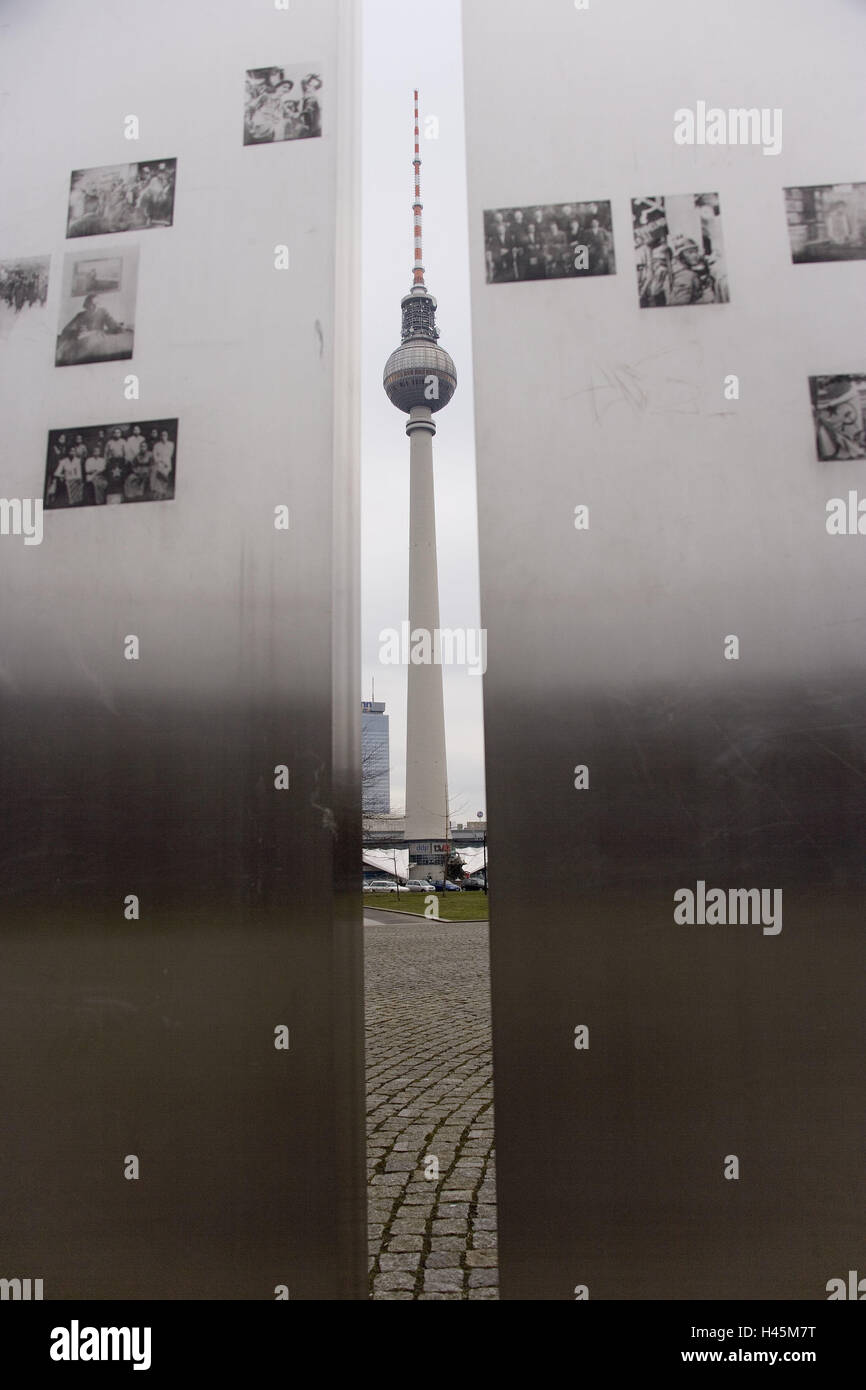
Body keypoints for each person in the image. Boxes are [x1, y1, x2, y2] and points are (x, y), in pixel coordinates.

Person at [150, 430, 175, 497]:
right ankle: (159, 491)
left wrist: (165, 463)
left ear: (167, 436)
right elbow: (154, 455)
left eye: (165, 435)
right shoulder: (157, 445)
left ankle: (164, 490)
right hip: (159, 463)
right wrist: (159, 461)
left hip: (167, 463)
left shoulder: (171, 444)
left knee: (165, 477)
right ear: (160, 436)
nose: (163, 436)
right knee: (159, 477)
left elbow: (170, 454)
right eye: (162, 435)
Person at [300, 73, 322, 138]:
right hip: (312, 126)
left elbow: (320, 83)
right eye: (307, 85)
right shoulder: (305, 90)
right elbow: (303, 81)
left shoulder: (312, 97)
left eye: (309, 85)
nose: (307, 87)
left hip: (313, 127)